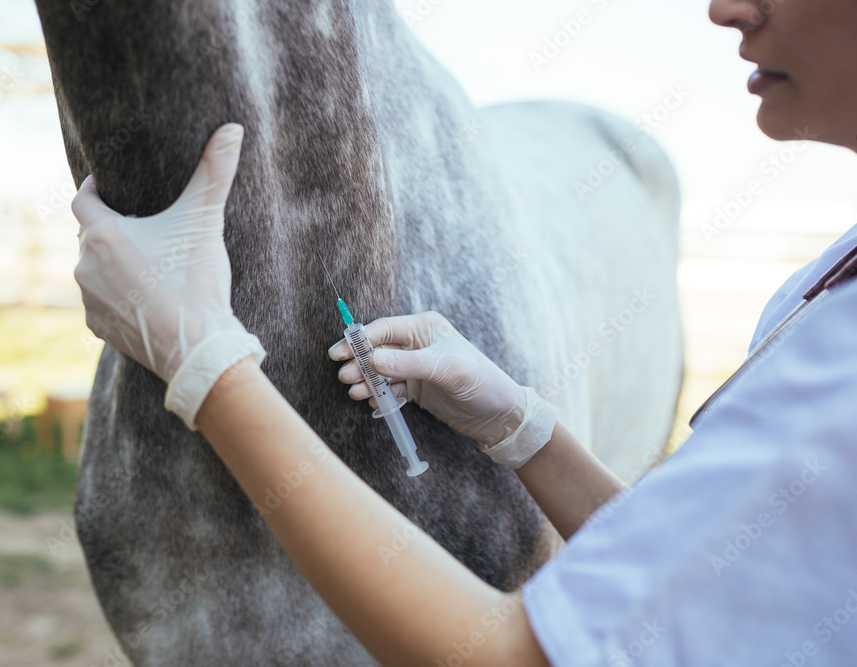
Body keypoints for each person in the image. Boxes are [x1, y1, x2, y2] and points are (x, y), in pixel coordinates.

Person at [70, 0, 857, 664]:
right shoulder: (831, 273)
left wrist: (205, 359)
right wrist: (523, 427)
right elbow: (709, 588)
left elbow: (513, 655)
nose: (724, 9)